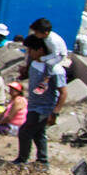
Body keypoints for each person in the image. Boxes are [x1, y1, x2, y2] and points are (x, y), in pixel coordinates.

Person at [14, 35, 66, 167]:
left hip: (43, 108)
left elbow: (63, 93)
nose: (29, 53)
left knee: (25, 131)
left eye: (31, 50)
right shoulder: (35, 65)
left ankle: (22, 160)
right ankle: (42, 161)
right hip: (34, 106)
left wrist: (55, 112)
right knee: (38, 134)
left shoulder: (56, 70)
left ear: (41, 50)